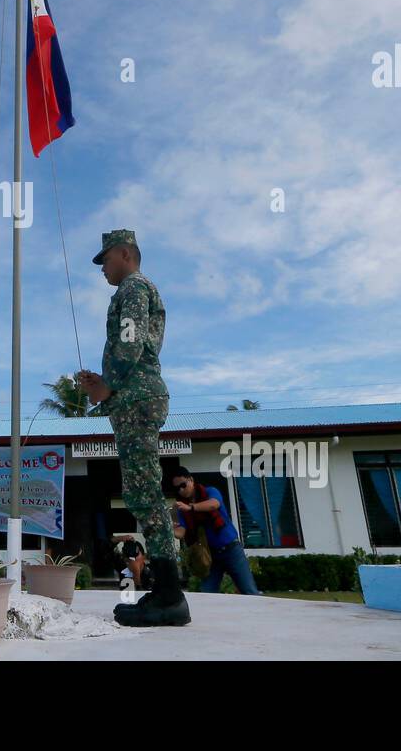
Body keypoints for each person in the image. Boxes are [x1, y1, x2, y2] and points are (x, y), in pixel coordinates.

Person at [77, 230, 190, 627]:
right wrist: (104, 387)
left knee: (143, 493)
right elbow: (133, 349)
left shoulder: (133, 288)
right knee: (142, 491)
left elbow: (130, 343)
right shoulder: (135, 289)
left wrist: (108, 384)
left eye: (105, 260)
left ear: (125, 254)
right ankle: (164, 592)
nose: (103, 268)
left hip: (137, 398)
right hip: (134, 396)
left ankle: (170, 596)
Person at [171, 467, 260, 595]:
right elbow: (181, 532)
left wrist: (191, 508)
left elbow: (214, 504)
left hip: (231, 549)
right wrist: (169, 529)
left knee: (249, 591)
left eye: (183, 485)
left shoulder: (210, 491)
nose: (181, 490)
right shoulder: (182, 509)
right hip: (210, 556)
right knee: (207, 594)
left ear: (191, 480)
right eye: (177, 488)